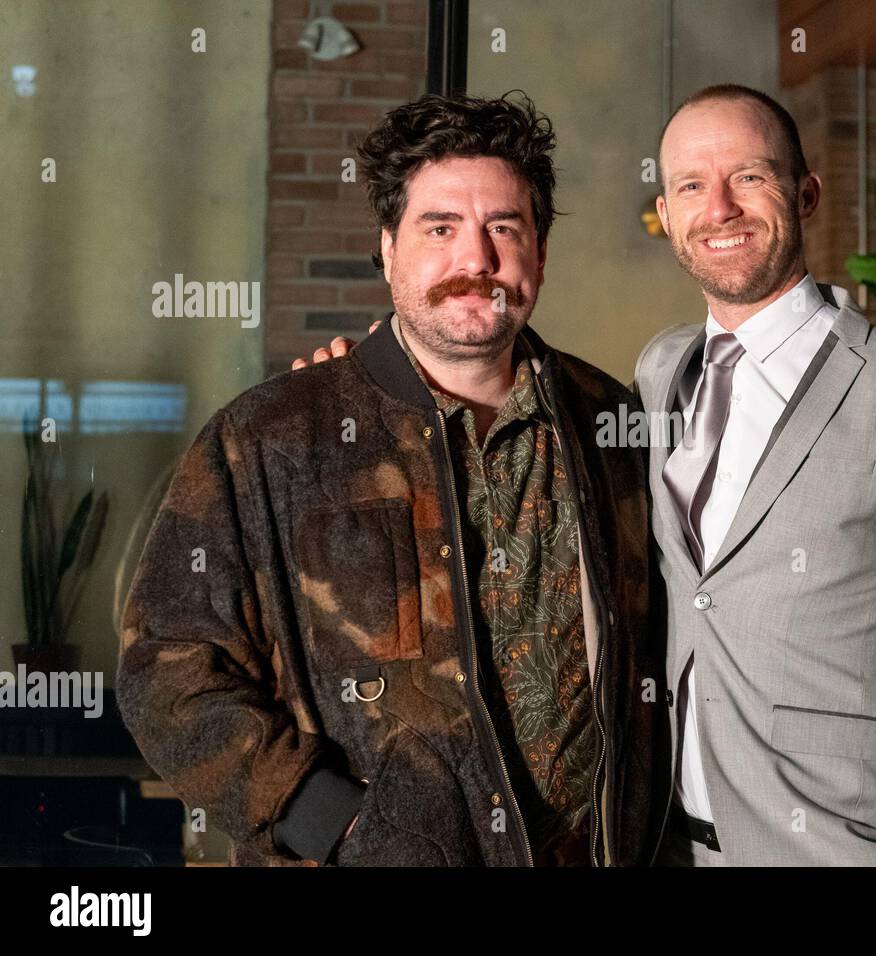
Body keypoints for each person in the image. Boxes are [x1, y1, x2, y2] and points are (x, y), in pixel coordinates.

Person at [301, 84, 876, 867]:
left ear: (806, 194)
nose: (719, 208)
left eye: (749, 177)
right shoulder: (658, 373)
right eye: (690, 186)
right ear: (668, 214)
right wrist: (371, 383)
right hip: (659, 848)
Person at [117, 91, 669, 867]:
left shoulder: (613, 425)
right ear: (388, 249)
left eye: (502, 229)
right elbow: (166, 668)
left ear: (539, 254)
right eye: (440, 228)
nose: (474, 260)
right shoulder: (270, 438)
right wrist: (324, 820)